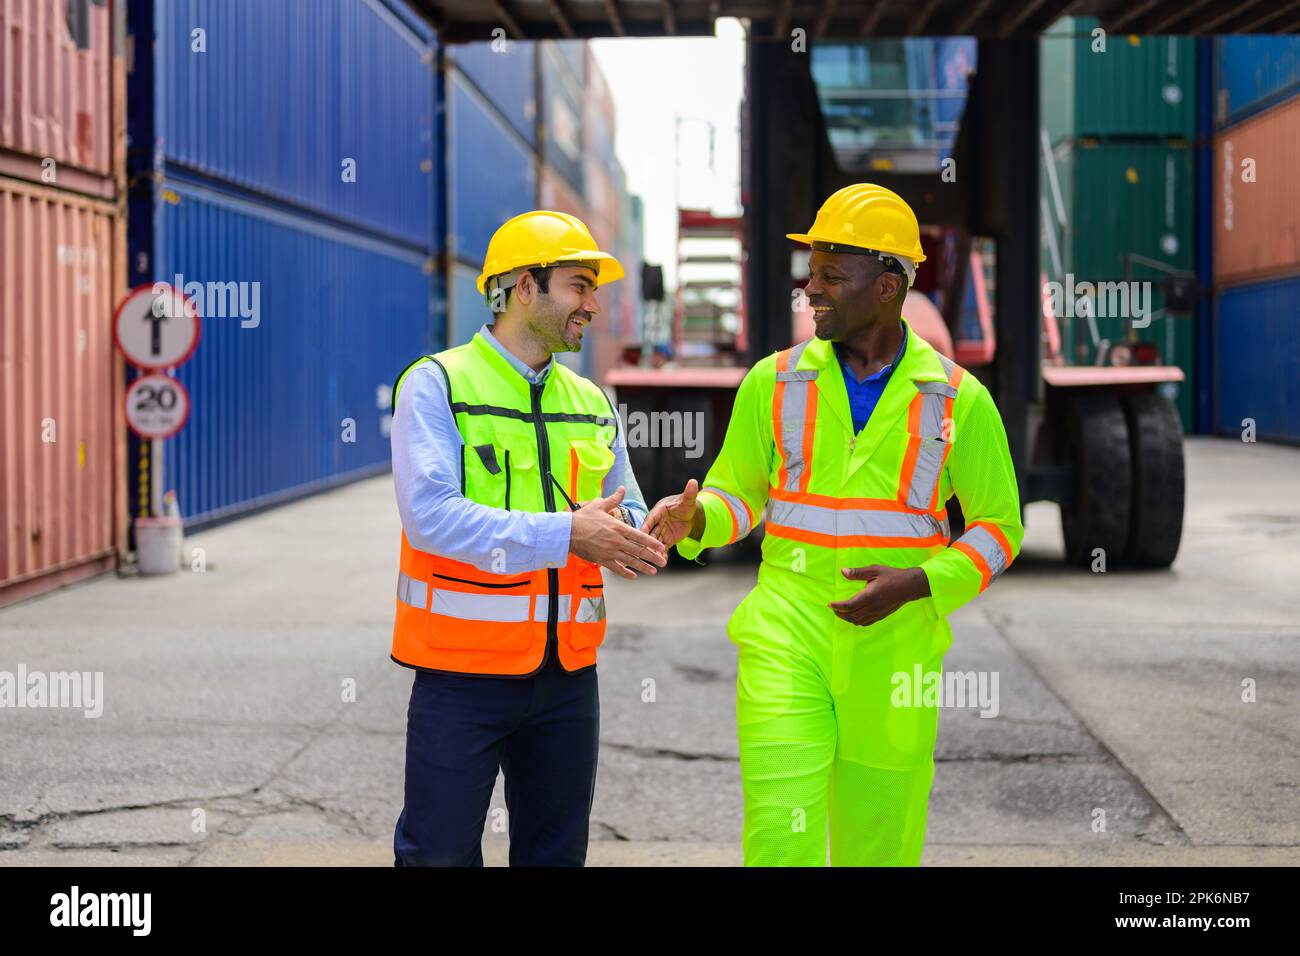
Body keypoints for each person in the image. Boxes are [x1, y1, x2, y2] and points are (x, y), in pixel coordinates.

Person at [644, 184, 1024, 866]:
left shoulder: (958, 400)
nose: (810, 290)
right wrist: (697, 518)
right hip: (785, 634)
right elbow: (740, 495)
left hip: (895, 654)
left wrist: (920, 583)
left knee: (877, 844)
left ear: (885, 286)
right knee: (779, 835)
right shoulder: (775, 381)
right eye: (809, 272)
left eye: (829, 276)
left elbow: (999, 528)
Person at [389, 210, 668, 866]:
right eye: (579, 285)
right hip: (461, 672)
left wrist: (655, 530)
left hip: (568, 676)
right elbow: (431, 517)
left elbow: (622, 515)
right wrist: (568, 534)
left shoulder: (593, 401)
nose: (593, 305)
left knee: (555, 857)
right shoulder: (437, 385)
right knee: (439, 856)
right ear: (523, 288)